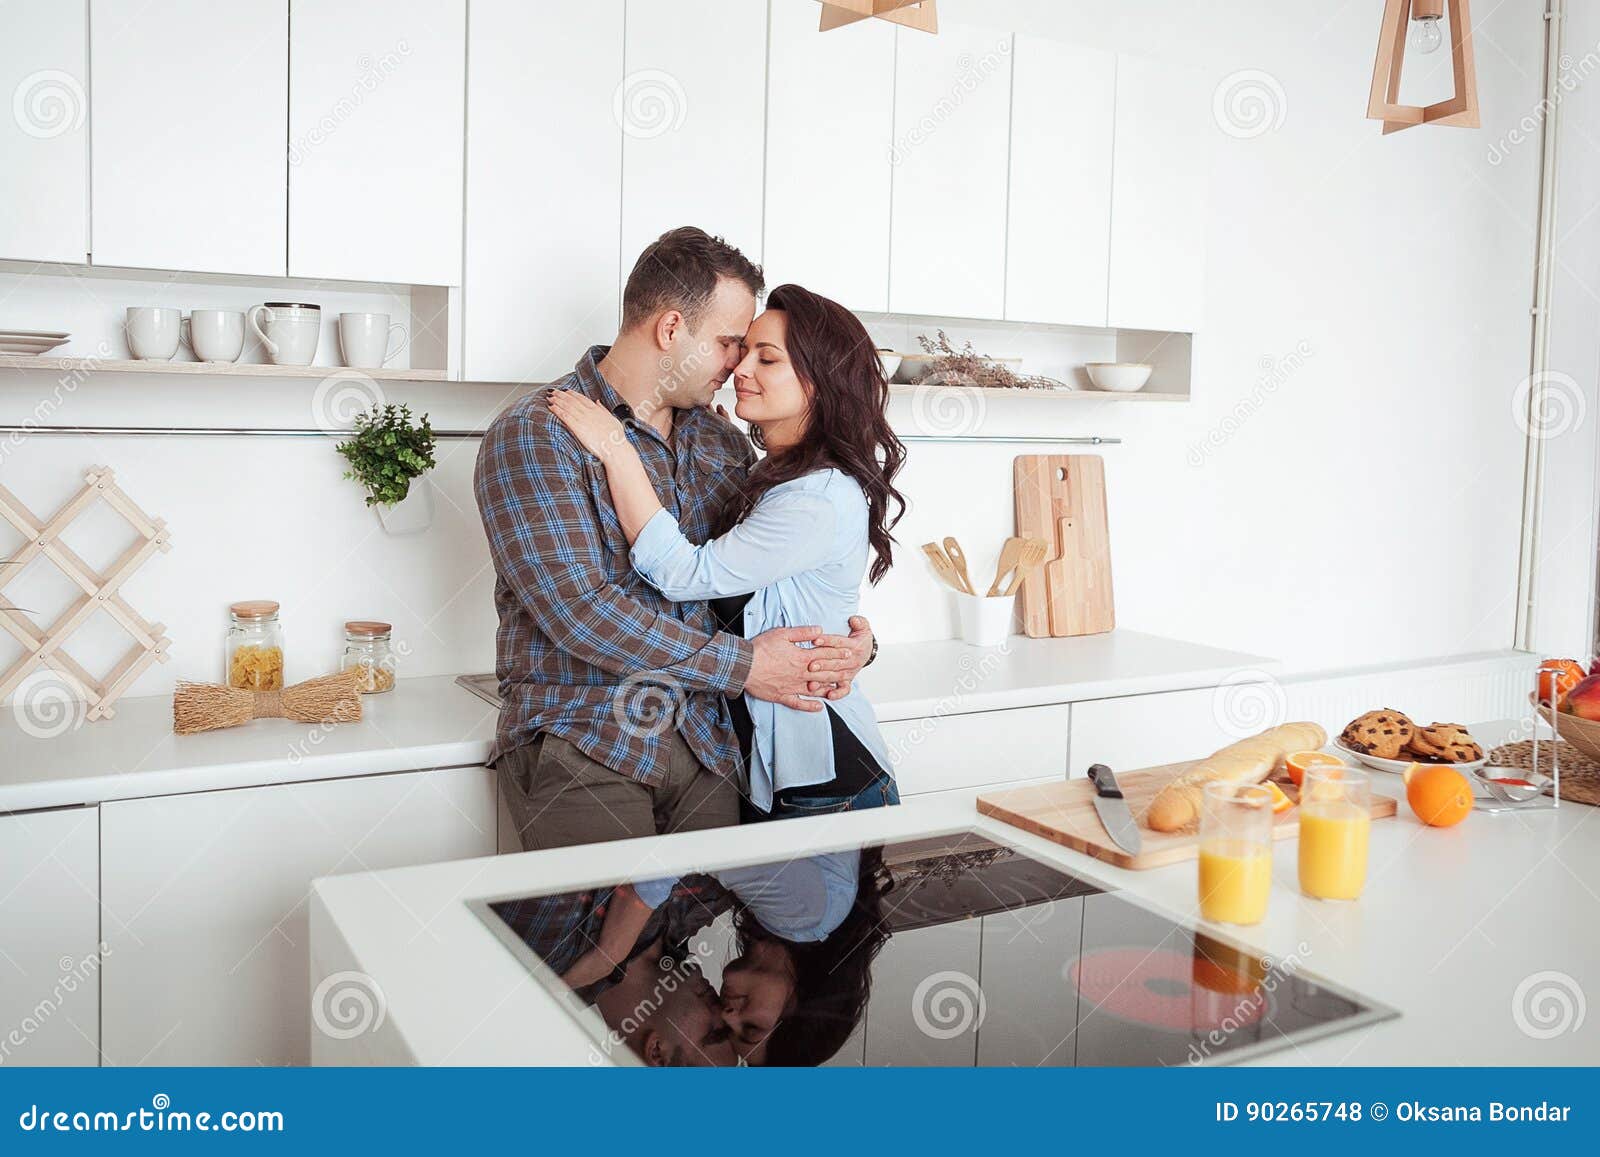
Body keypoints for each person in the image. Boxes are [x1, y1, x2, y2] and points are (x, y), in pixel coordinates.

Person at [474, 228, 876, 851]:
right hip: (584, 739)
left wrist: (848, 645)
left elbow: (763, 580)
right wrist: (746, 669)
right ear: (670, 331)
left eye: (752, 352)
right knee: (596, 941)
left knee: (690, 941)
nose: (737, 365)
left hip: (709, 747)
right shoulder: (537, 432)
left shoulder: (721, 443)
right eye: (727, 344)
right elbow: (582, 613)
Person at [547, 282, 907, 818]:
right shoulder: (764, 470)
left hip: (825, 774)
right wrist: (855, 644)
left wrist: (617, 449)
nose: (741, 368)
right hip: (766, 762)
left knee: (797, 903)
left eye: (767, 358)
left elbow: (682, 572)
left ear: (819, 382)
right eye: (740, 350)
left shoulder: (815, 497)